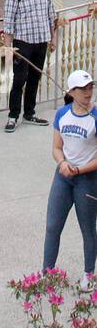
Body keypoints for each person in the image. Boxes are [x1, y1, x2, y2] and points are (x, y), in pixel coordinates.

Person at [43, 70, 97, 291]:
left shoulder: (95, 117)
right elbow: (56, 148)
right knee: (53, 226)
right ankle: (48, 273)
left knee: (88, 229)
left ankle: (88, 275)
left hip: (87, 179)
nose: (88, 92)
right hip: (63, 177)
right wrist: (62, 164)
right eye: (83, 89)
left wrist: (80, 169)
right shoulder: (62, 114)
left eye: (90, 87)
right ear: (72, 92)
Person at [3, 0, 57, 132]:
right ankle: (13, 115)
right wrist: (8, 47)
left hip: (41, 41)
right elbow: (8, 23)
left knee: (35, 78)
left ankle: (29, 112)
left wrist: (53, 37)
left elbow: (51, 15)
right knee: (19, 80)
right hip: (23, 43)